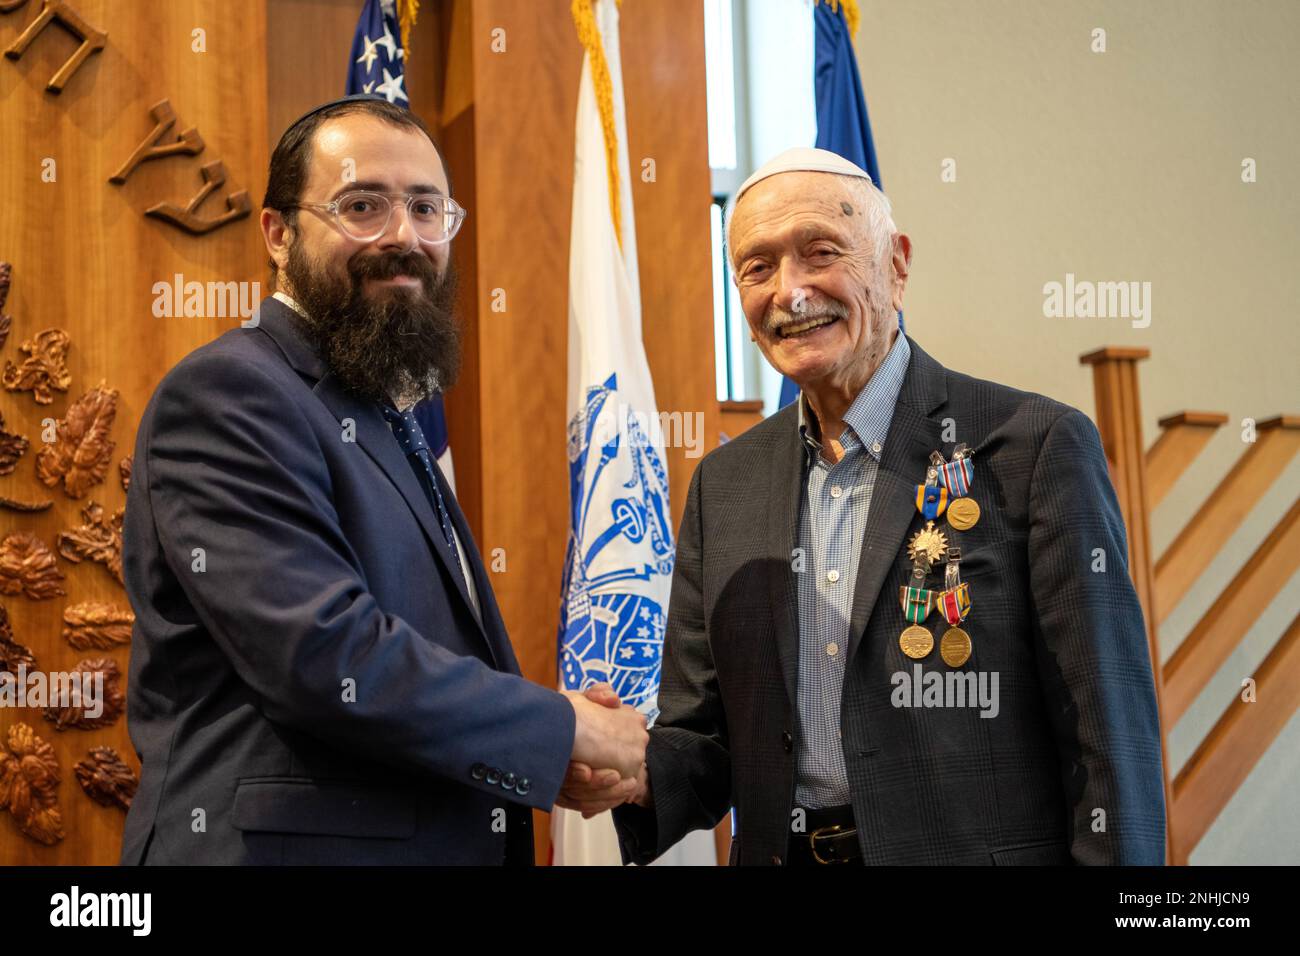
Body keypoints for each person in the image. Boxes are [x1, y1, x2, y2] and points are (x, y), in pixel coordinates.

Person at [558, 147, 1166, 865]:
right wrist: (622, 769)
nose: (790, 292)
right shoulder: (725, 485)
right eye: (756, 268)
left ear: (897, 266)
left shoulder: (1033, 448)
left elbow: (1108, 735)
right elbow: (710, 740)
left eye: (820, 253)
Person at [120, 95, 645, 865]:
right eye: (362, 205)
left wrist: (543, 752)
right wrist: (558, 728)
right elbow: (324, 656)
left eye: (427, 209)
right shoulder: (233, 393)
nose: (404, 237)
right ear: (277, 233)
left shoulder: (378, 406)